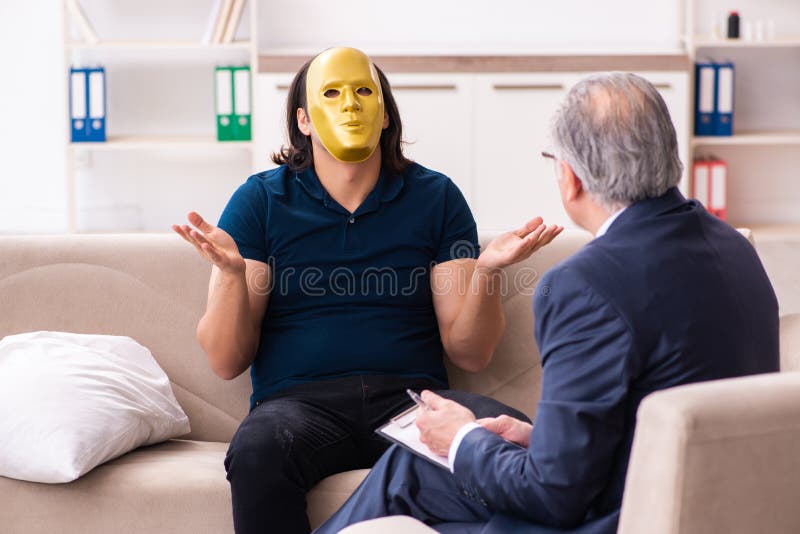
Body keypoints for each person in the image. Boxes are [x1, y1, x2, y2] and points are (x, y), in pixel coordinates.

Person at [314, 72, 780, 534]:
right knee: (410, 468)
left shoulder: (585, 284)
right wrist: (536, 440)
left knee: (423, 465)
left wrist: (461, 436)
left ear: (570, 176)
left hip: (608, 519)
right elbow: (656, 419)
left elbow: (552, 496)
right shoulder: (733, 246)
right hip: (696, 505)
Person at [172, 47, 562, 534]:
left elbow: (470, 354)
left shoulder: (436, 197)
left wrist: (485, 272)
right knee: (257, 451)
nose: (350, 105)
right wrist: (232, 276)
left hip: (412, 404)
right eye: (331, 94)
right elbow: (227, 361)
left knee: (511, 441)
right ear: (305, 120)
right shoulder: (259, 201)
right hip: (298, 409)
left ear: (383, 115)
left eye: (363, 92)